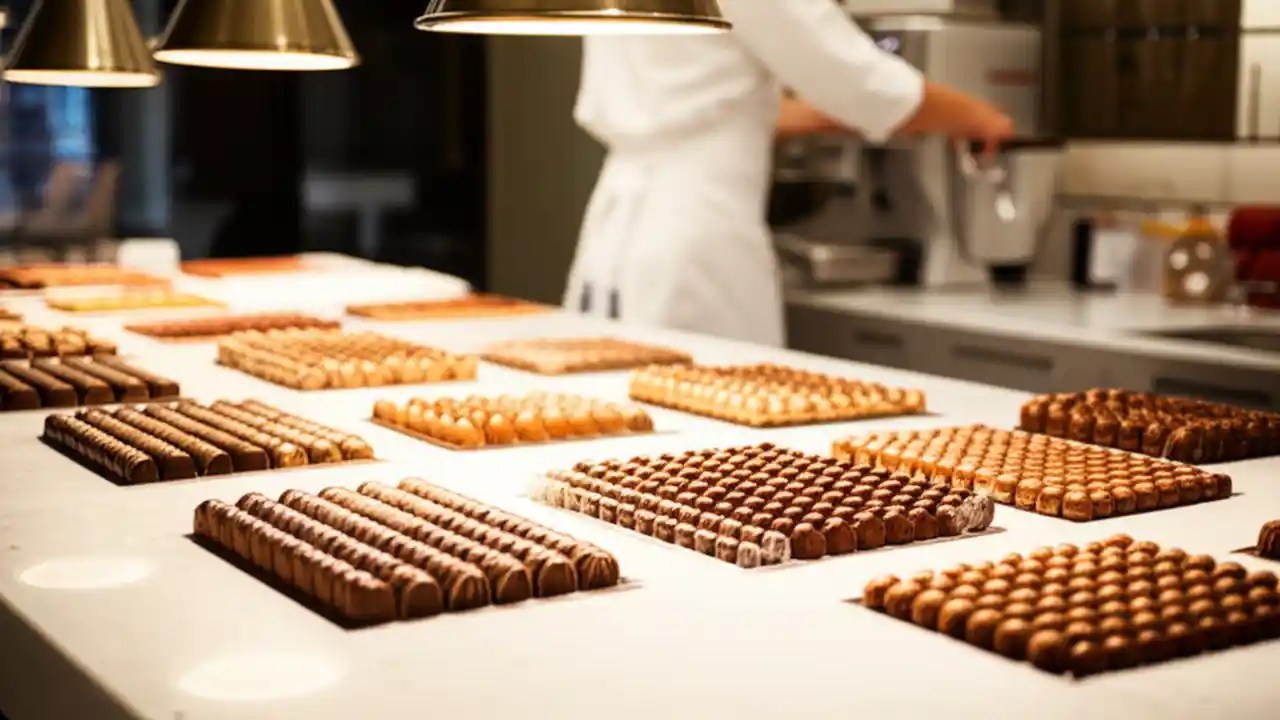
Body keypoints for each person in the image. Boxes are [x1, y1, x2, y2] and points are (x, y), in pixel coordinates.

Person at [564, 0, 1014, 347]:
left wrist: (835, 114)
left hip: (621, 231)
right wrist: (974, 115)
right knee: (720, 439)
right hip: (698, 231)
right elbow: (854, 78)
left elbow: (716, 103)